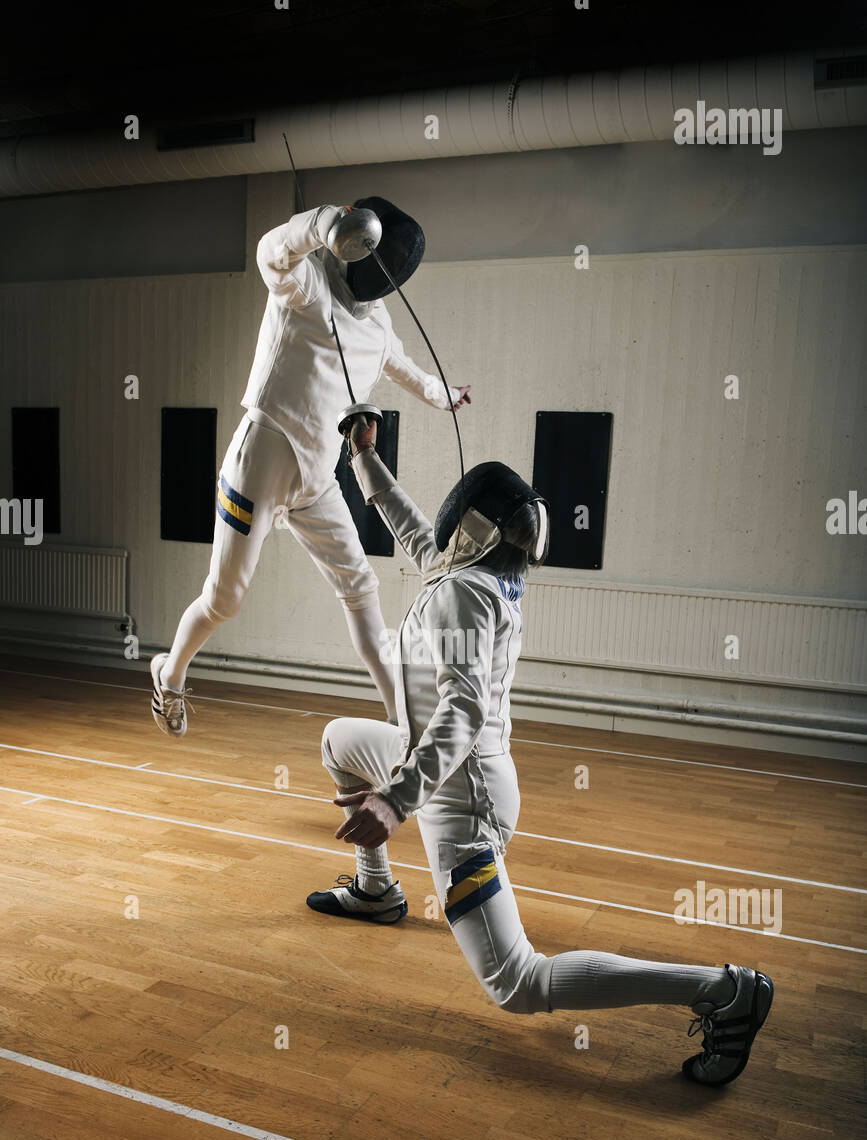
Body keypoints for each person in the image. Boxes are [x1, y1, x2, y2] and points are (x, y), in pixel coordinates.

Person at [305, 415, 774, 1087]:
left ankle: (725, 990)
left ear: (469, 525)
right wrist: (364, 461)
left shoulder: (463, 595)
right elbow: (413, 533)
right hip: (429, 758)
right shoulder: (467, 571)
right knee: (339, 741)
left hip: (460, 803)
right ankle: (376, 891)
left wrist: (395, 801)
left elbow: (462, 709)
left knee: (515, 981)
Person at [149, 197, 471, 735]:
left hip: (318, 479)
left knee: (360, 587)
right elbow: (269, 252)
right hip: (260, 462)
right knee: (225, 598)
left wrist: (446, 397)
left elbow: (406, 371)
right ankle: (170, 674)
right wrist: (322, 223)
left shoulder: (379, 324)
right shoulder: (308, 282)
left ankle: (401, 723)